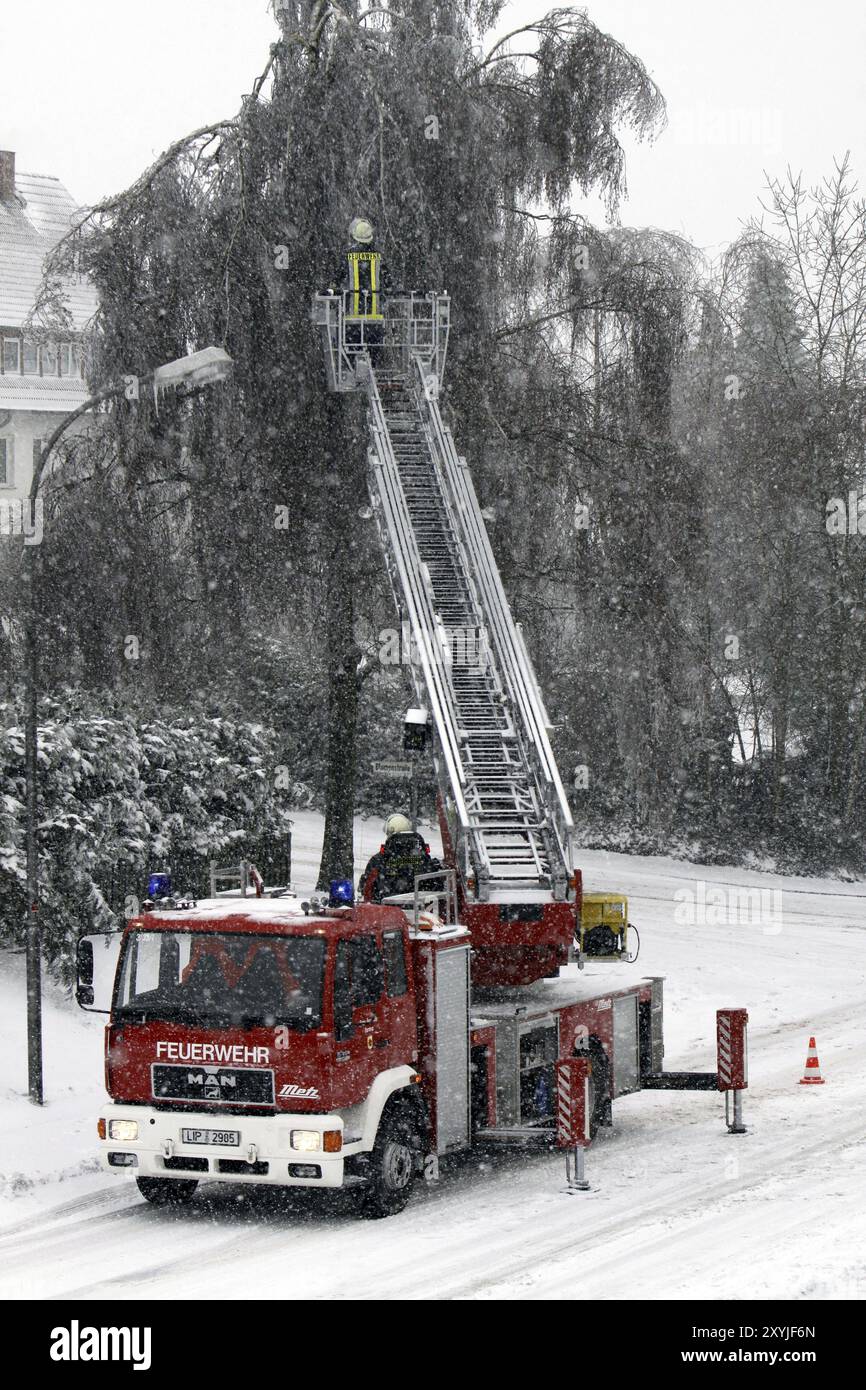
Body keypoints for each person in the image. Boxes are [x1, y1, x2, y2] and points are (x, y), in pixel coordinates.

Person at [336, 216, 389, 370]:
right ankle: (371, 367)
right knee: (373, 360)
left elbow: (337, 279)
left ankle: (356, 370)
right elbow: (389, 281)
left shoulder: (348, 256)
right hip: (376, 320)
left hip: (353, 320)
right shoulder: (379, 256)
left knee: (352, 359)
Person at [359, 813, 445, 903]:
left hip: (387, 911)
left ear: (389, 831)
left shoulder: (378, 861)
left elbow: (367, 890)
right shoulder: (424, 858)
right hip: (425, 909)